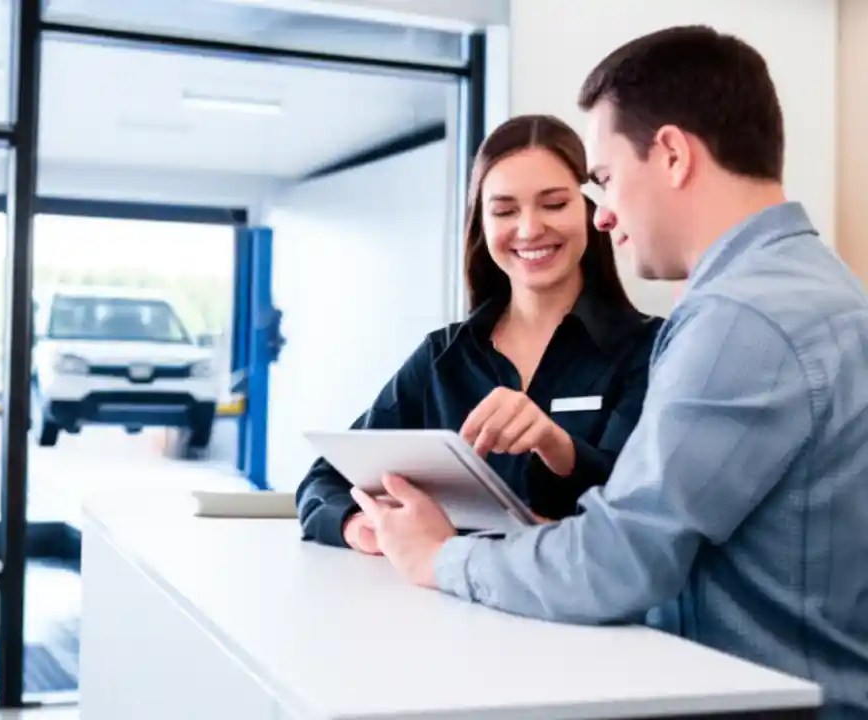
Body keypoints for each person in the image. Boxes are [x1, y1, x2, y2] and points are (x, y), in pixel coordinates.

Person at [351, 26, 868, 717]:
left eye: (602, 180)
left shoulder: (744, 318)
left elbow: (621, 559)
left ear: (674, 155)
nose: (606, 214)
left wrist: (439, 558)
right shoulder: (808, 284)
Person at [296, 114, 663, 553]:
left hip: (583, 612)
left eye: (554, 204)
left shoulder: (649, 349)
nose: (529, 229)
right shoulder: (443, 357)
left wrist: (557, 445)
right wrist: (362, 527)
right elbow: (325, 480)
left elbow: (641, 514)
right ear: (482, 224)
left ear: (591, 211)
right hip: (449, 607)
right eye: (505, 211)